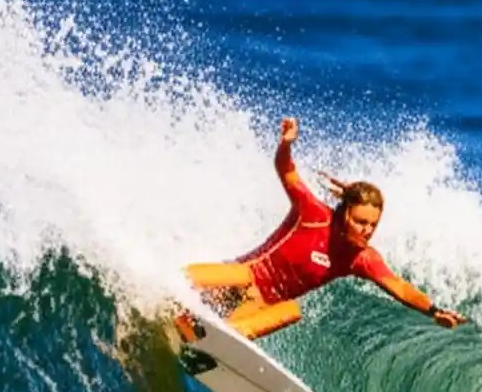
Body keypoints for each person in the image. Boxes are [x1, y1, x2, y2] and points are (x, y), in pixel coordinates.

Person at [181, 117, 466, 340]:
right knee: (184, 280)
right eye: (360, 221)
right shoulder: (312, 214)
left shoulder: (362, 259)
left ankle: (219, 337)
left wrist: (433, 311)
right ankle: (166, 294)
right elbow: (286, 170)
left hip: (259, 305)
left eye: (373, 225)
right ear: (344, 214)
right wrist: (286, 144)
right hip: (238, 276)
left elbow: (399, 287)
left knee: (291, 310)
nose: (367, 230)